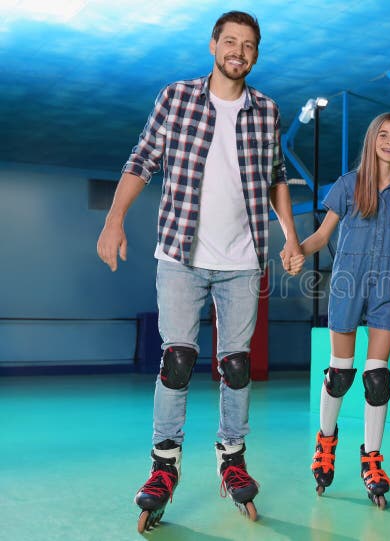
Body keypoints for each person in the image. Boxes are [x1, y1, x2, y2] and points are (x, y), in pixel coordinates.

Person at [96, 11, 304, 530]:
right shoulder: (178, 97)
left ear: (256, 53)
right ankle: (164, 467)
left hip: (241, 259)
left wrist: (292, 237)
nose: (238, 51)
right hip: (181, 255)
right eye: (230, 41)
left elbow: (277, 176)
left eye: (248, 44)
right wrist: (113, 221)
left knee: (235, 366)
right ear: (213, 45)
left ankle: (231, 459)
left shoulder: (267, 110)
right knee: (178, 361)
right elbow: (143, 158)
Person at [298, 112, 390, 509]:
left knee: (377, 379)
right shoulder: (348, 185)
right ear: (372, 141)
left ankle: (371, 459)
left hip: (388, 287)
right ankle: (325, 440)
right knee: (340, 373)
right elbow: (322, 235)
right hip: (347, 283)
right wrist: (296, 250)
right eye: (383, 135)